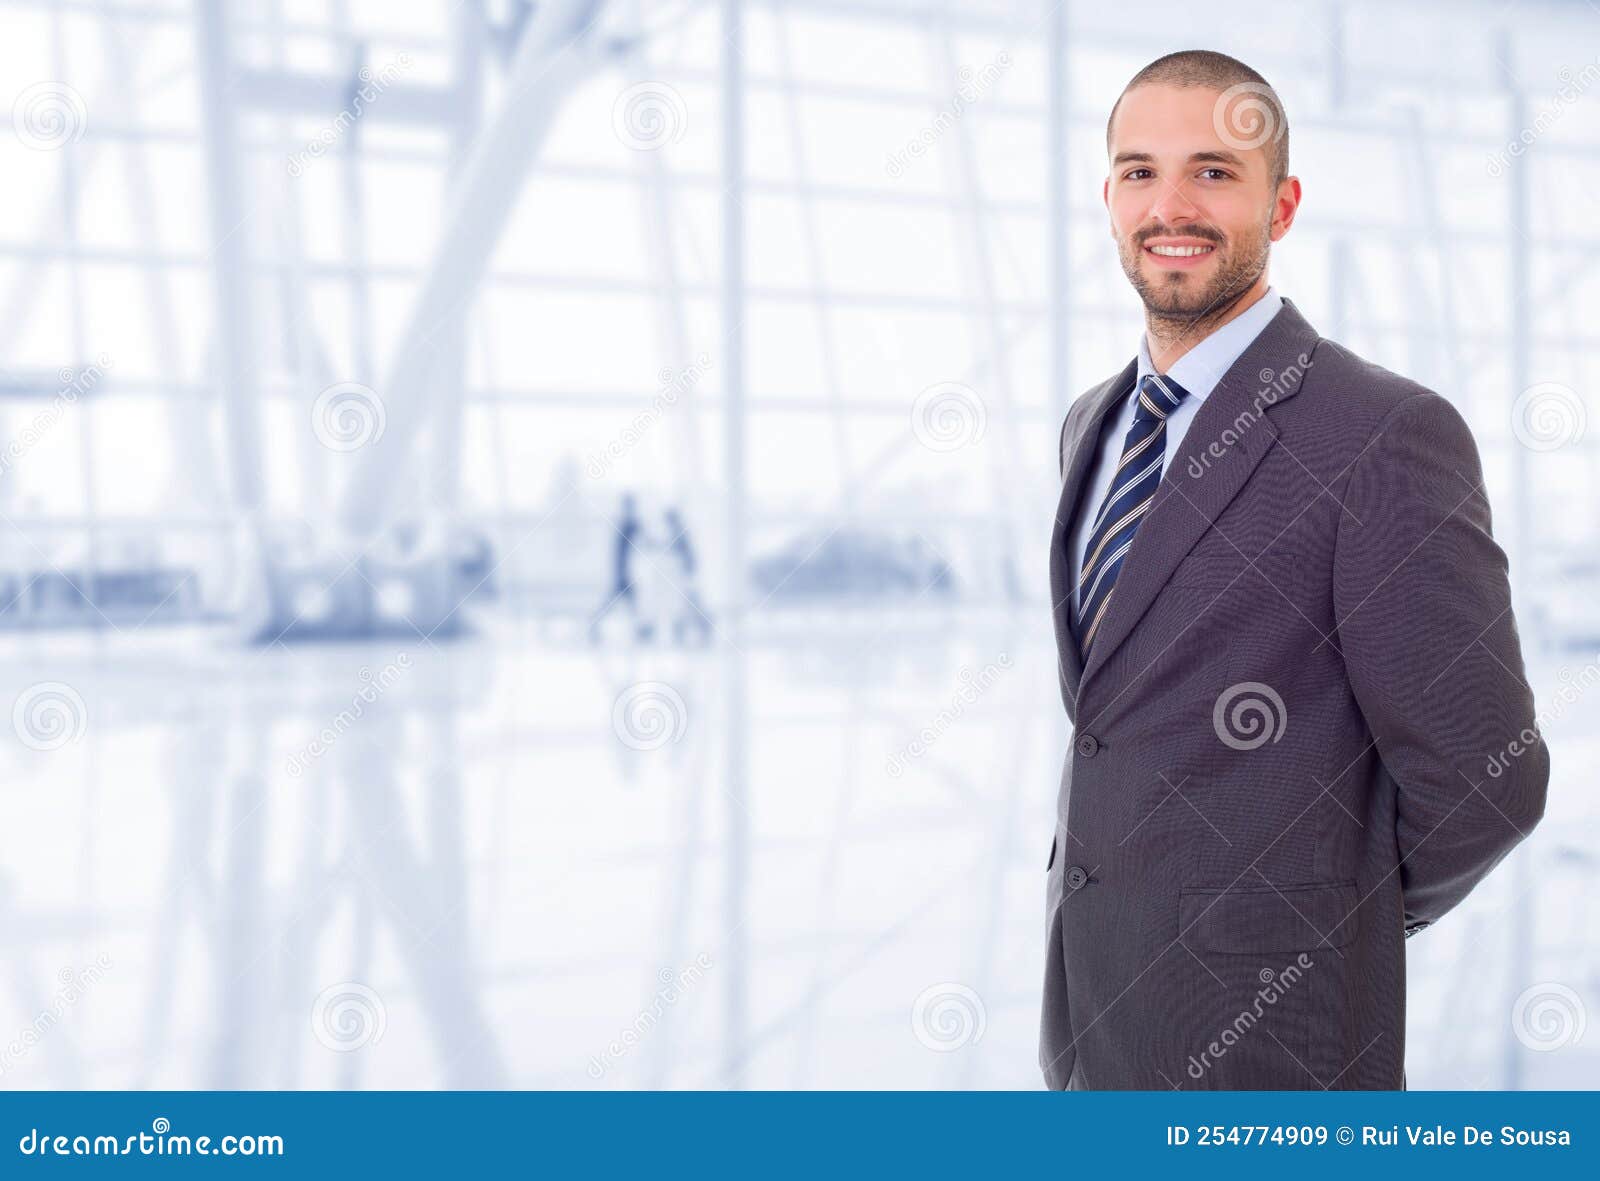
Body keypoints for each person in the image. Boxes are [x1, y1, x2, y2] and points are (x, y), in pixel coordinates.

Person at [1039, 50, 1548, 1091]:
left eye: (1214, 172)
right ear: (1106, 199)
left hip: (1279, 1049)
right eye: (1139, 172)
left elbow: (1487, 781)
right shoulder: (1091, 425)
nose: (1169, 204)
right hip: (1092, 1023)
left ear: (1282, 203)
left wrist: (1319, 924)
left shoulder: (1381, 433)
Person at [588, 491, 652, 644]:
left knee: (626, 602)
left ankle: (639, 629)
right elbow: (644, 542)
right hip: (624, 573)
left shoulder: (626, 525)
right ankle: (595, 625)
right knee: (620, 602)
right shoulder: (629, 526)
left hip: (625, 572)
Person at [661, 507, 712, 646]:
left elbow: (681, 553)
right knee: (686, 604)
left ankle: (700, 629)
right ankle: (681, 632)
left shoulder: (679, 532)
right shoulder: (678, 532)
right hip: (685, 575)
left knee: (691, 603)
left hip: (686, 575)